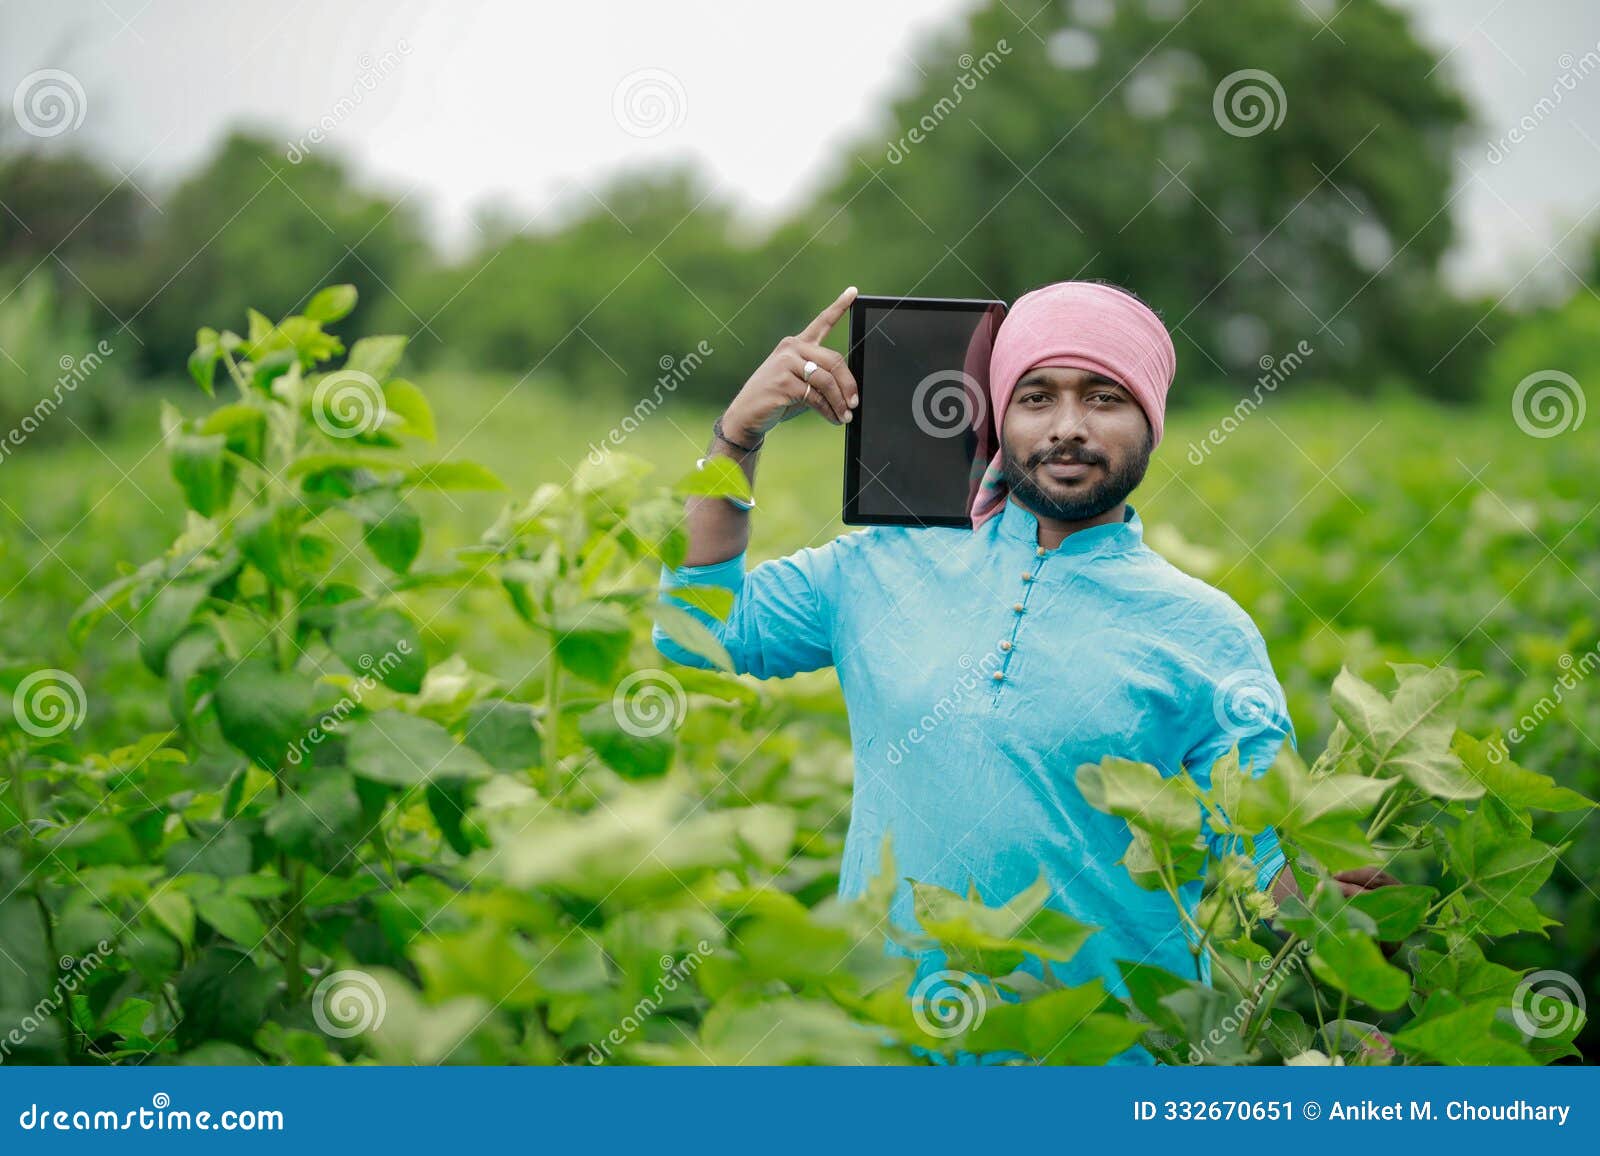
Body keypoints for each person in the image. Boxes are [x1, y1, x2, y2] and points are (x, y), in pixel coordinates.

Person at [652, 281, 1392, 1063]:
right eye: (1037, 397)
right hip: (884, 1049)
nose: (1068, 427)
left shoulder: (1205, 631)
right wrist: (736, 439)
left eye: (1105, 397)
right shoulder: (882, 562)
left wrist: (1333, 912)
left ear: (1151, 420)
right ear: (999, 417)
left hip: (1104, 1062)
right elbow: (700, 632)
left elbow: (1261, 857)